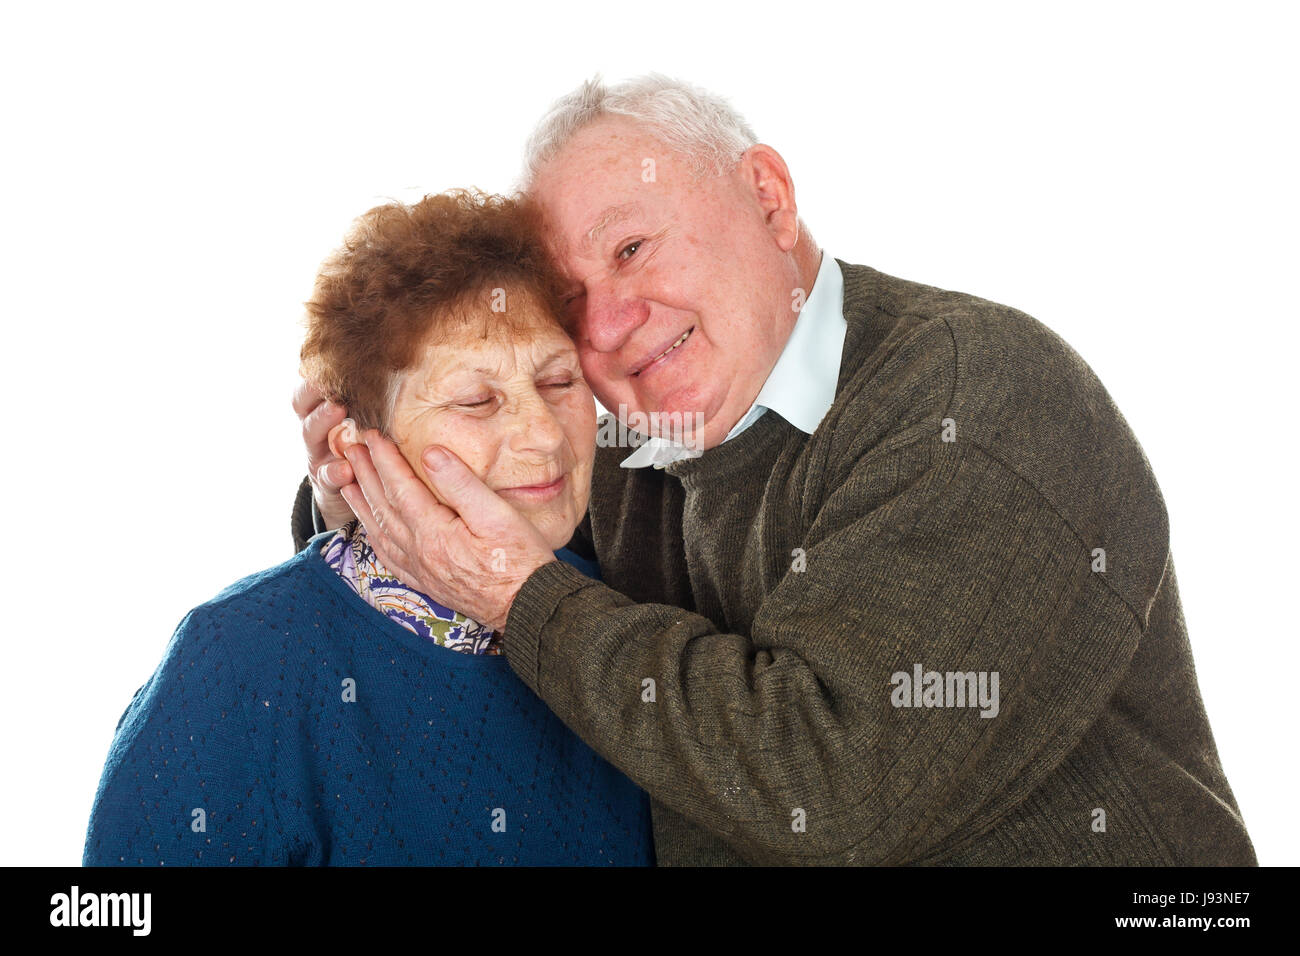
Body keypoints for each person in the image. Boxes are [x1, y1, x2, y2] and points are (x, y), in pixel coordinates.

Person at [290, 76, 1256, 866]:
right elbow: (465, 599)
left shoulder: (973, 398)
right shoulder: (633, 438)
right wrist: (358, 497)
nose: (611, 321)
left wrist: (520, 593)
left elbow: (833, 792)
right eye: (574, 297)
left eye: (633, 248)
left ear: (767, 196)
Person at [86, 189, 653, 866]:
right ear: (355, 443)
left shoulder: (620, 629)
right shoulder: (233, 667)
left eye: (559, 383)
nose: (541, 434)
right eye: (477, 400)